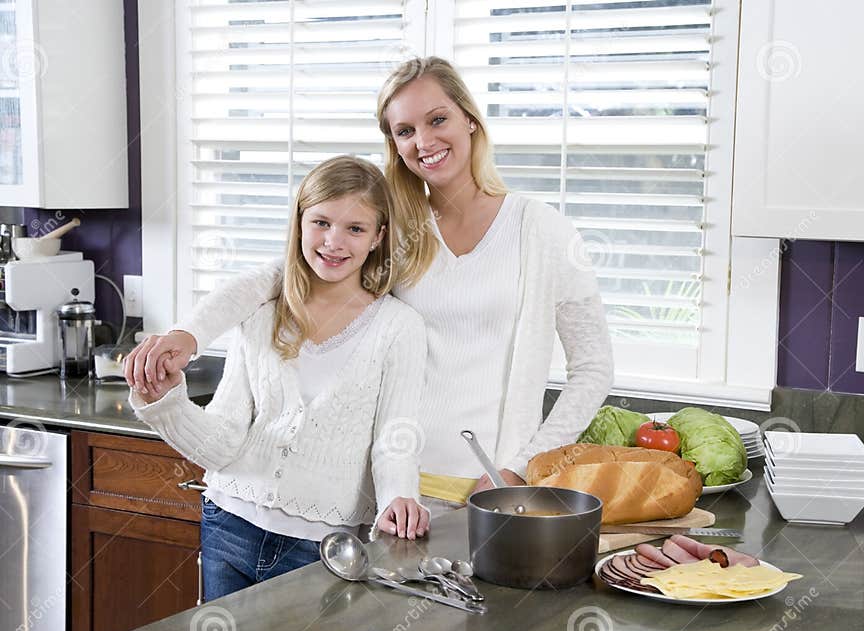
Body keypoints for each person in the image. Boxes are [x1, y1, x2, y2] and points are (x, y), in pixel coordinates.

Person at [126, 56, 613, 514]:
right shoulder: (395, 227)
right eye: (405, 130)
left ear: (469, 119)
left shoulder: (540, 229)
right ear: (395, 145)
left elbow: (592, 370)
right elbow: (286, 272)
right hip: (386, 492)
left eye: (437, 119)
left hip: (493, 492)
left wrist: (523, 468)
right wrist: (188, 335)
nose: (424, 141)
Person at [128, 156, 429, 601]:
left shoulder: (398, 327)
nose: (333, 242)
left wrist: (399, 497)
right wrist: (168, 404)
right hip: (227, 524)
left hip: (323, 549)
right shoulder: (263, 312)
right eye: (321, 222)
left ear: (378, 238)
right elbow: (225, 442)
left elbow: (395, 435)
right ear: (300, 222)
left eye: (355, 228)